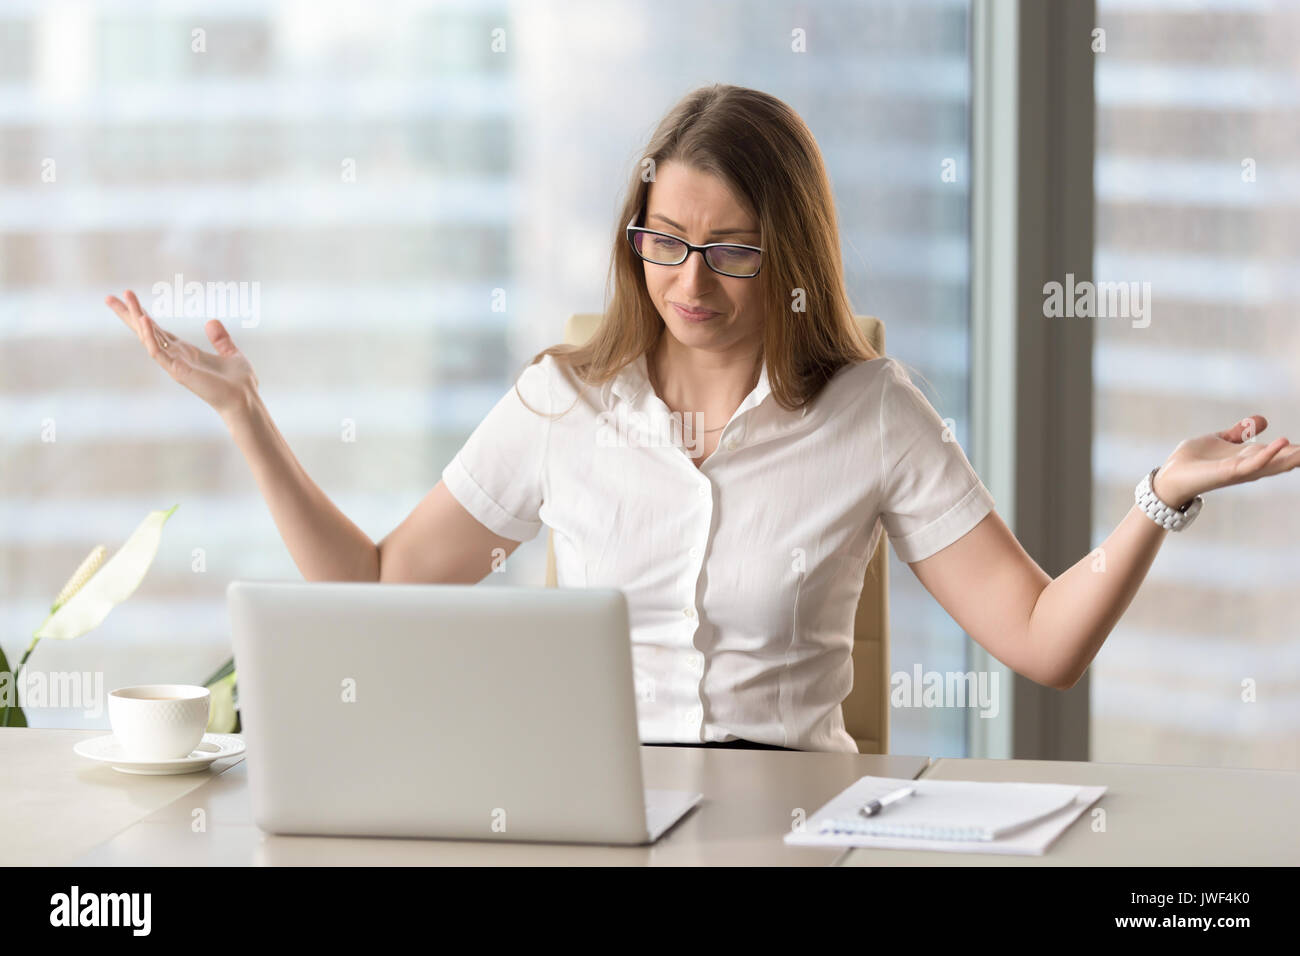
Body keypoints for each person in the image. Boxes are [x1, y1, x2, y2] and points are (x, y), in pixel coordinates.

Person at [105, 84, 1300, 754]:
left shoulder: (871, 410)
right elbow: (375, 588)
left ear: (790, 253)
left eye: (728, 248)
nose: (688, 280)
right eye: (665, 243)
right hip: (603, 815)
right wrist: (249, 418)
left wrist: (1163, 495)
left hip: (804, 818)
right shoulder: (561, 399)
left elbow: (1042, 639)